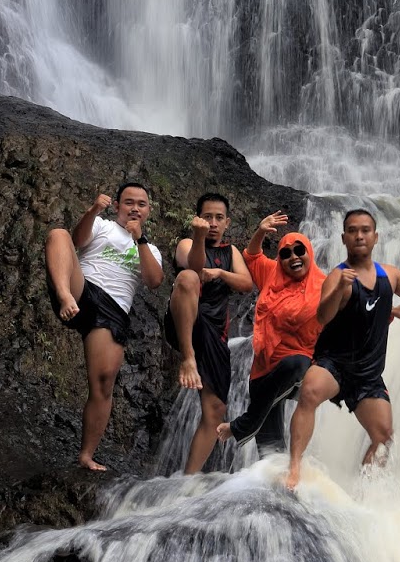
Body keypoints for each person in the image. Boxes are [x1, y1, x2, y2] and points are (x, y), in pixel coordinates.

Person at [285, 208, 400, 491]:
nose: (359, 235)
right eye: (352, 231)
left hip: (368, 374)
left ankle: (362, 496)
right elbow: (322, 317)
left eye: (365, 230)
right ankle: (294, 469)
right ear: (344, 238)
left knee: (384, 437)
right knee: (310, 390)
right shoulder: (337, 276)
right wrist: (340, 290)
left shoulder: (388, 275)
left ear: (375, 237)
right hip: (334, 365)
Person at [45, 180, 163, 472]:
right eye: (128, 202)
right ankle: (63, 296)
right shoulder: (102, 226)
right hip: (82, 289)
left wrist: (141, 241)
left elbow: (154, 281)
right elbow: (77, 239)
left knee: (103, 384)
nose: (134, 208)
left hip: (114, 310)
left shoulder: (151, 249)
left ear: (148, 211)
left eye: (141, 204)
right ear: (118, 206)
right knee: (58, 234)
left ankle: (86, 455)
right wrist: (93, 210)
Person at [215, 213, 325, 456]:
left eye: (299, 250)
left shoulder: (325, 285)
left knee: (296, 362)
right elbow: (252, 256)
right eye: (286, 253)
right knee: (270, 452)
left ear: (309, 253)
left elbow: (352, 306)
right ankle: (280, 489)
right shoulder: (272, 273)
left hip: (299, 370)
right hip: (263, 371)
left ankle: (244, 423)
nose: (293, 257)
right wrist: (261, 231)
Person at [165, 192, 254, 474]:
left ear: (227, 222)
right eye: (207, 217)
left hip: (215, 334)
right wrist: (199, 237)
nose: (212, 223)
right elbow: (191, 266)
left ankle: (186, 479)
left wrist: (220, 273)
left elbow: (246, 284)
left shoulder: (231, 253)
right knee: (189, 277)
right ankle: (188, 359)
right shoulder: (188, 243)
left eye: (218, 218)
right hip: (184, 321)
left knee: (215, 410)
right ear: (197, 219)